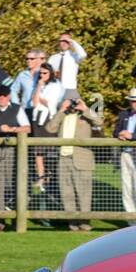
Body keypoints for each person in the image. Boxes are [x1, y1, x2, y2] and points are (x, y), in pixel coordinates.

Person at [44, 94, 102, 230]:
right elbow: (50, 128)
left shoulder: (85, 115)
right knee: (66, 192)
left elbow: (99, 122)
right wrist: (60, 110)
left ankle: (85, 223)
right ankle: (73, 223)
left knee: (84, 193)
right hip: (64, 158)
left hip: (82, 159)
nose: (72, 104)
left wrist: (85, 108)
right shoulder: (63, 115)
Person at [0, 84, 29, 230]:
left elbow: (27, 128)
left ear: (9, 95)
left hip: (14, 152)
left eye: (4, 95)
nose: (2, 98)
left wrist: (11, 129)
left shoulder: (16, 108)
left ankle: (18, 220)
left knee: (16, 185)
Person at [29, 62, 63, 197]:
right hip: (37, 118)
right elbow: (34, 101)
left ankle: (50, 177)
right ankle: (41, 176)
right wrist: (38, 87)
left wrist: (39, 98)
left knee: (49, 149)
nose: (42, 76)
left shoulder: (56, 86)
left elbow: (49, 102)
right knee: (38, 150)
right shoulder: (39, 85)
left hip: (48, 118)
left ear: (50, 73)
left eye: (45, 73)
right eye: (40, 73)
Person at [48, 32, 87, 99]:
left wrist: (72, 41)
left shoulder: (74, 56)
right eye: (62, 41)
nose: (64, 43)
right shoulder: (53, 58)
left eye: (66, 41)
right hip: (55, 91)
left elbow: (83, 55)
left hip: (70, 90)